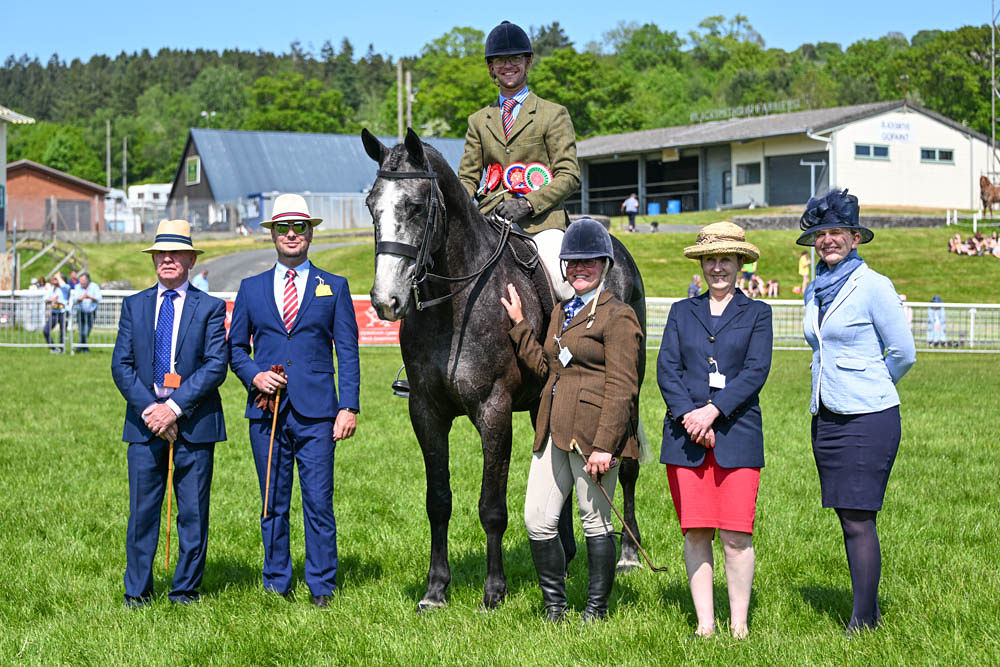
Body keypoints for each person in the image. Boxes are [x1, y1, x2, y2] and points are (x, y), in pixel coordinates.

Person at [500, 217, 642, 622]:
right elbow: (548, 369)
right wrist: (520, 325)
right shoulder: (562, 312)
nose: (579, 269)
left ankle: (595, 610)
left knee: (594, 521)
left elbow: (622, 387)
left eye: (588, 262)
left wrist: (606, 444)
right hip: (552, 428)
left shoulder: (619, 317)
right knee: (537, 519)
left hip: (595, 435)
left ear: (605, 265)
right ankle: (554, 607)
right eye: (572, 263)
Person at [229, 193, 360, 608]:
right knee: (272, 501)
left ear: (310, 233)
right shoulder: (250, 289)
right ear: (271, 234)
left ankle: (322, 585)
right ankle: (276, 582)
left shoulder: (334, 287)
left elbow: (348, 350)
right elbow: (235, 348)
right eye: (283, 227)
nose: (291, 234)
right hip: (266, 413)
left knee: (319, 502)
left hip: (319, 413)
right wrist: (255, 374)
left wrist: (349, 406)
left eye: (298, 227)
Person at [797, 189, 916, 633]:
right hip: (826, 415)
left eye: (837, 233)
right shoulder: (815, 289)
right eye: (821, 233)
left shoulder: (874, 286)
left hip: (869, 416)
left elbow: (903, 352)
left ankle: (864, 621)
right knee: (846, 514)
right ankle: (868, 610)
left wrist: (871, 382)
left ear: (855, 238)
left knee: (859, 516)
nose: (828, 240)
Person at [657, 221, 773, 639]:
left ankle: (738, 625)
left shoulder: (759, 313)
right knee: (697, 531)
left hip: (737, 436)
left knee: (737, 536)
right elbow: (667, 369)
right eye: (711, 260)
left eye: (726, 259)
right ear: (701, 264)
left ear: (741, 263)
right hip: (685, 439)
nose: (718, 267)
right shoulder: (680, 312)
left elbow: (756, 371)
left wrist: (712, 412)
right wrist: (691, 415)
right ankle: (705, 624)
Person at [110, 219, 228, 607]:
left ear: (191, 259)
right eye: (161, 253)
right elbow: (121, 366)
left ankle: (184, 591)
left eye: (176, 252)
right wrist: (152, 411)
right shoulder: (134, 305)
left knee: (192, 513)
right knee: (143, 513)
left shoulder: (210, 308)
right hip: (144, 426)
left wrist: (174, 409)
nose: (167, 259)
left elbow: (215, 366)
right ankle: (137, 594)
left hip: (194, 423)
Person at [459, 19, 581, 300]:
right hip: (489, 221)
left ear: (528, 62)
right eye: (500, 60)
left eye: (515, 58)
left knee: (562, 286)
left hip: (540, 224)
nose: (507, 65)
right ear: (491, 67)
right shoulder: (478, 121)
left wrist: (528, 203)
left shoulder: (553, 114)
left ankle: (563, 341)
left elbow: (569, 174)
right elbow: (467, 178)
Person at [71, 272, 102, 352]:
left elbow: (99, 298)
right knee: (81, 330)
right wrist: (81, 298)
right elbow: (74, 298)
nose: (81, 282)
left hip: (91, 312)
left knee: (86, 330)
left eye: (82, 280)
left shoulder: (94, 286)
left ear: (87, 280)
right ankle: (84, 348)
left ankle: (80, 347)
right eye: (80, 280)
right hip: (80, 311)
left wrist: (89, 297)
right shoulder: (77, 286)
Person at [43, 275, 68, 353]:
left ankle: (62, 349)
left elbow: (63, 285)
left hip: (63, 312)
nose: (54, 280)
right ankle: (53, 348)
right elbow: (45, 299)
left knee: (62, 332)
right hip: (54, 312)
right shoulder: (52, 289)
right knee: (46, 331)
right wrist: (51, 299)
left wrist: (59, 277)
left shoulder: (65, 288)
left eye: (56, 279)